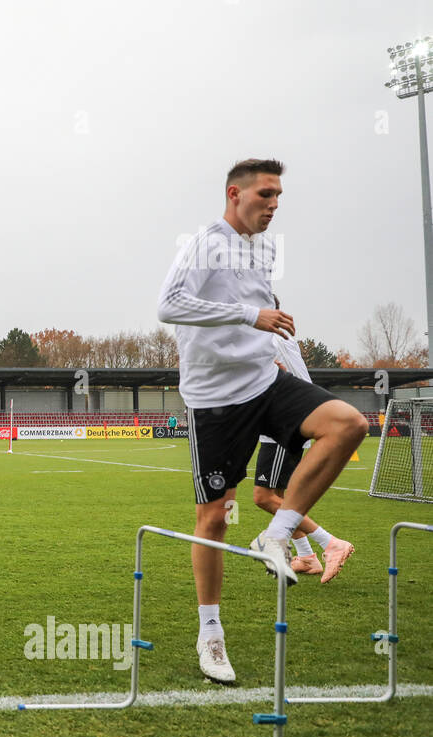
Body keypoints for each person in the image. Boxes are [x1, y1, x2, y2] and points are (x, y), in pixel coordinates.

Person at [157, 159, 368, 684]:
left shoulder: (267, 247)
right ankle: (210, 634)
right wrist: (252, 317)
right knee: (215, 517)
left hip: (263, 380)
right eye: (265, 195)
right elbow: (169, 305)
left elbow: (254, 304)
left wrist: (267, 336)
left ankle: (276, 536)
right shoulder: (205, 243)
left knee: (348, 425)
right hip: (214, 398)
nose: (274, 205)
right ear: (235, 194)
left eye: (279, 196)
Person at [251, 296, 354, 582]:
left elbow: (272, 375)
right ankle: (307, 557)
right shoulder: (275, 337)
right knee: (283, 498)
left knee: (265, 497)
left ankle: (331, 543)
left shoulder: (268, 338)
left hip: (286, 424)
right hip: (287, 422)